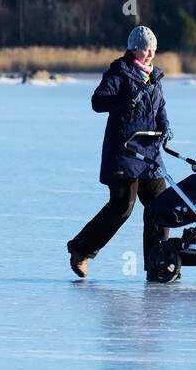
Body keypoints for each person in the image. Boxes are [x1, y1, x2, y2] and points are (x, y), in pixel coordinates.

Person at [67, 26, 176, 282]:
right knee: (122, 207)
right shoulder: (119, 72)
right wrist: (127, 98)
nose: (150, 54)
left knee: (160, 208)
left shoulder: (155, 78)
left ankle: (157, 264)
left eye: (153, 50)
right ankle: (80, 249)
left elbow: (159, 108)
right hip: (124, 153)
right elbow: (98, 102)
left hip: (149, 155)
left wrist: (166, 126)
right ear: (134, 48)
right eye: (146, 49)